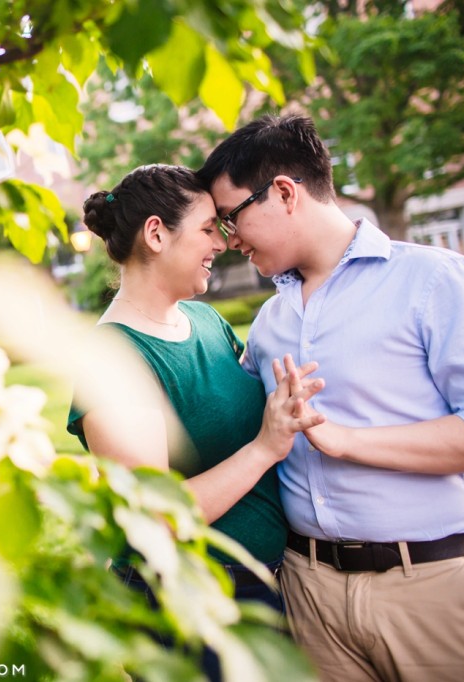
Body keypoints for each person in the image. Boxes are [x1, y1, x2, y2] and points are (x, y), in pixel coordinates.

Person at [197, 113, 464, 682]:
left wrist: (344, 440)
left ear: (283, 192)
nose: (229, 242)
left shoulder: (432, 281)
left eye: (230, 219)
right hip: (308, 591)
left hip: (431, 585)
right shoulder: (270, 320)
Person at [66, 164, 325, 680]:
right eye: (209, 228)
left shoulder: (204, 319)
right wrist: (264, 448)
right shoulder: (113, 357)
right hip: (192, 603)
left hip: (267, 585)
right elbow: (158, 516)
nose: (223, 242)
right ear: (157, 233)